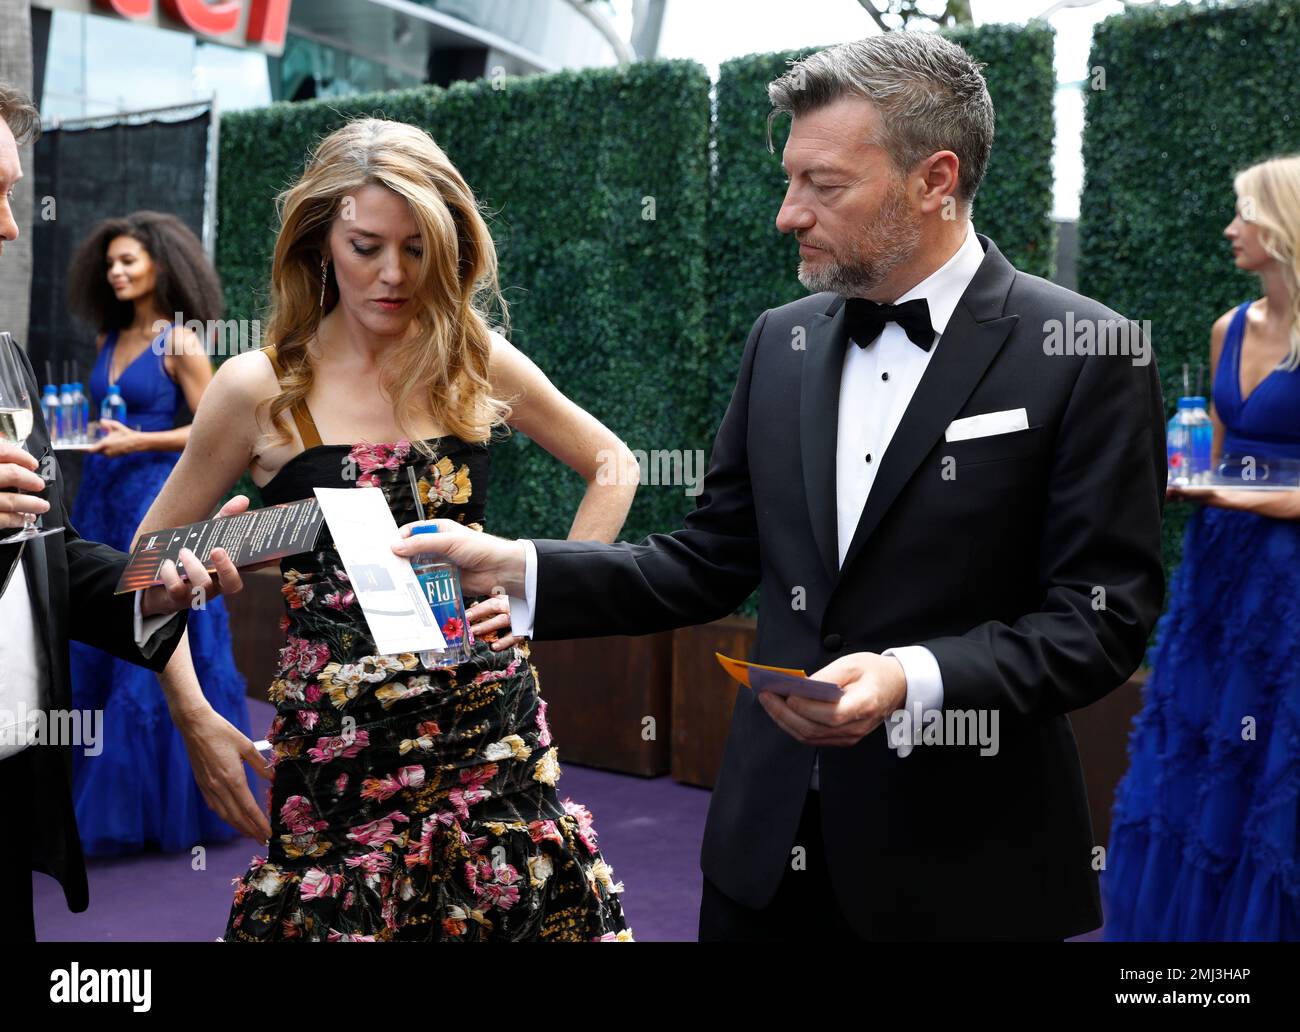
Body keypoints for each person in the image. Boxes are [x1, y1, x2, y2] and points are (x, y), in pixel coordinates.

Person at [395, 33, 1168, 941]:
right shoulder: (781, 340)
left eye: (824, 185)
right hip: (761, 860)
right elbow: (708, 559)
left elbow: (1100, 619)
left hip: (967, 873)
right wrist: (520, 567)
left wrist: (907, 678)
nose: (787, 214)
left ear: (936, 180)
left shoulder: (1088, 352)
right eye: (790, 179)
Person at [136, 117, 636, 941]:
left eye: (417, 246)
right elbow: (143, 571)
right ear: (320, 240)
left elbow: (614, 464)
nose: (394, 274)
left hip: (488, 723)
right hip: (337, 750)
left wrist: (545, 594)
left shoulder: (470, 355)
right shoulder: (254, 386)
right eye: (367, 246)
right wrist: (194, 716)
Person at [0, 81, 251, 942]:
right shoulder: (104, 342)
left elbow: (49, 554)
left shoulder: (10, 361)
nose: (10, 225)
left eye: (14, 193)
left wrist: (153, 585)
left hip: (138, 494)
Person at [1104, 154, 1300, 940]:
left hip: (1290, 584)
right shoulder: (1229, 326)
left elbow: (1236, 482)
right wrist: (1189, 481)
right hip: (1220, 570)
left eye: (1243, 213)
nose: (1230, 229)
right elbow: (1212, 458)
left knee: (1274, 756)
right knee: (1199, 741)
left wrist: (1230, 493)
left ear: (1283, 224)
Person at [62, 212, 250, 856]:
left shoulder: (180, 341)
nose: (117, 271)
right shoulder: (106, 339)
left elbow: (211, 428)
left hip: (156, 491)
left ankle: (169, 805)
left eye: (129, 261)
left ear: (160, 267)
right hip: (102, 494)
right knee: (97, 623)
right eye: (110, 262)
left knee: (156, 623)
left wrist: (141, 439)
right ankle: (81, 783)